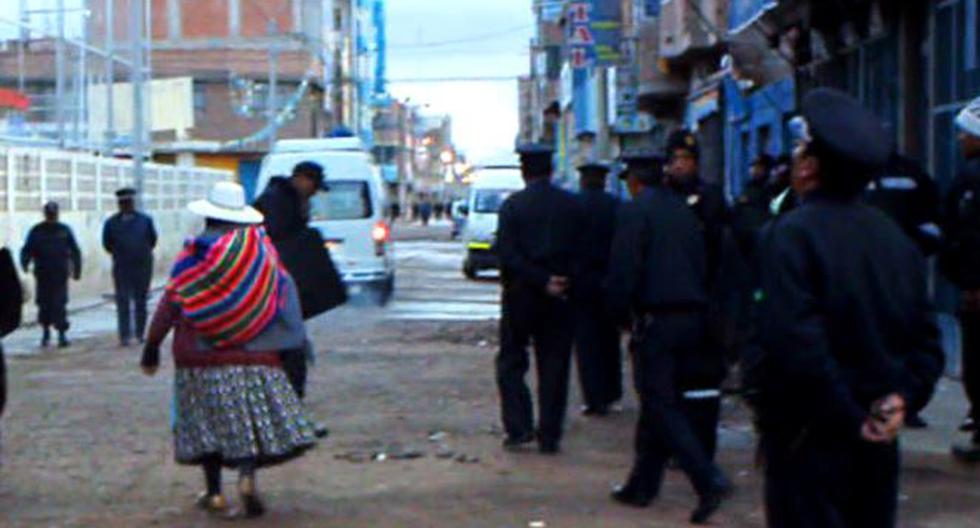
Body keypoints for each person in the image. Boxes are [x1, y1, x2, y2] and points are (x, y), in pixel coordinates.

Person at [751, 88, 944, 527]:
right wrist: (901, 400)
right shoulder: (896, 240)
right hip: (878, 431)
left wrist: (849, 415)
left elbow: (796, 341)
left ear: (809, 167)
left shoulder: (789, 235)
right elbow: (927, 341)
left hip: (811, 434)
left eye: (801, 149)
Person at [141, 181, 317, 518]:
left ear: (209, 216)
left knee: (206, 424)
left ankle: (215, 493)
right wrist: (292, 345)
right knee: (243, 423)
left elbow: (172, 301)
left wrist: (151, 345)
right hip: (253, 355)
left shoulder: (192, 256)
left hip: (199, 356)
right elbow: (285, 299)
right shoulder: (263, 254)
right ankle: (247, 479)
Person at [604, 148, 732, 525]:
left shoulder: (634, 211)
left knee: (661, 404)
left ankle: (707, 479)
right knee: (659, 402)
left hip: (656, 320)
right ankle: (641, 485)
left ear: (633, 181)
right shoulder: (683, 210)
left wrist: (619, 315)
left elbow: (625, 270)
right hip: (693, 319)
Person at [495, 143, 585, 455]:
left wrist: (539, 280)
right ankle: (550, 435)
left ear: (524, 171)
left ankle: (519, 428)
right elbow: (583, 252)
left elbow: (507, 254)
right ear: (551, 169)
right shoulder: (572, 206)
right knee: (555, 365)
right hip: (561, 298)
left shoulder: (513, 207)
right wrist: (561, 280)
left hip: (521, 296)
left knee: (511, 361)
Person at [664, 129, 732, 461]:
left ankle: (700, 447)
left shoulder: (712, 197)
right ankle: (678, 449)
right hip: (670, 302)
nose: (682, 166)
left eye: (688, 160)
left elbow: (722, 251)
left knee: (703, 386)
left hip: (705, 304)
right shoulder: (661, 199)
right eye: (677, 160)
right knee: (669, 384)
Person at [253, 161, 335, 439]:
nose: (313, 194)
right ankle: (286, 420)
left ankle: (286, 417)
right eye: (313, 187)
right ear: (302, 179)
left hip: (280, 290)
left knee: (289, 355)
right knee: (288, 355)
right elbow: (276, 246)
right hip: (270, 291)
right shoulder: (277, 202)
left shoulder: (287, 200)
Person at [864, 154, 942, 429]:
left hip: (899, 273)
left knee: (903, 335)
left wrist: (911, 252)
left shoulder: (910, 173)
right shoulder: (859, 174)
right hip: (868, 271)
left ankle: (903, 401)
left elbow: (931, 221)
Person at [940, 95, 980, 461]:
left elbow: (967, 235)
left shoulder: (971, 181)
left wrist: (971, 283)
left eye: (965, 134)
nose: (960, 141)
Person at [573, 161, 622, 417]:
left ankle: (593, 397)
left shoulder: (574, 206)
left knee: (586, 342)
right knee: (609, 339)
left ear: (583, 180)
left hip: (581, 283)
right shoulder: (615, 206)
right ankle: (611, 391)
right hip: (609, 281)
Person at [20, 202, 81, 348]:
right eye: (49, 213)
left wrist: (77, 269)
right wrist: (25, 262)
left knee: (60, 303)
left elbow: (75, 251)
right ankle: (46, 333)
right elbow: (27, 249)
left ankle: (61, 335)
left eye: (53, 213)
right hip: (43, 274)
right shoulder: (37, 231)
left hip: (60, 274)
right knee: (44, 303)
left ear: (57, 214)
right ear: (45, 214)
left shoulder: (64, 230)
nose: (51, 216)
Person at [103, 188, 157, 346]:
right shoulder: (111, 223)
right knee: (123, 301)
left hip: (142, 266)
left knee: (141, 300)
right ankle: (124, 335)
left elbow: (152, 240)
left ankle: (140, 333)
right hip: (121, 266)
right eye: (123, 203)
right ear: (119, 204)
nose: (126, 205)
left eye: (129, 202)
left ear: (133, 203)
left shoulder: (145, 221)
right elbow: (107, 244)